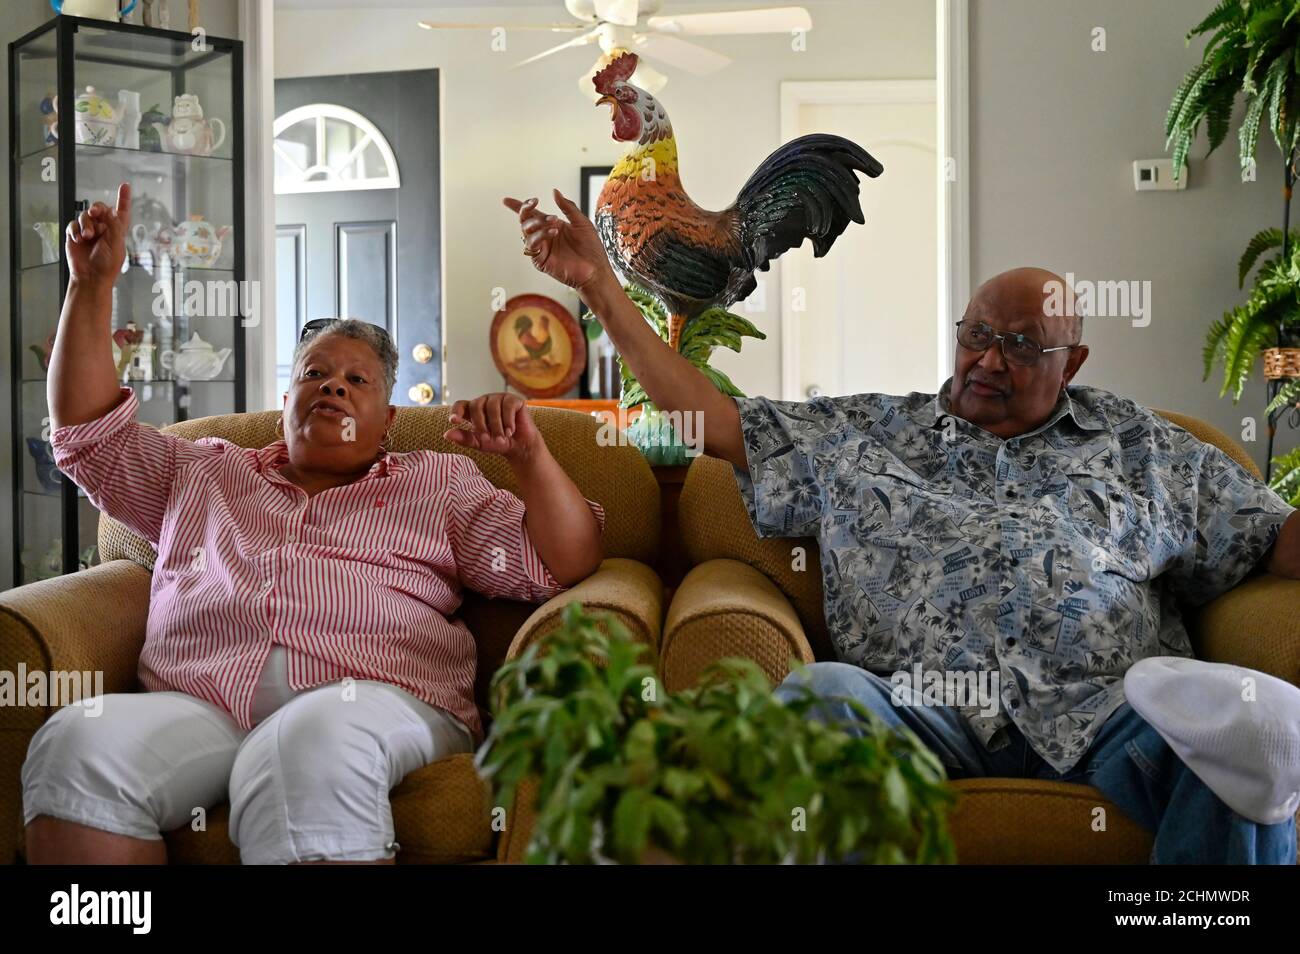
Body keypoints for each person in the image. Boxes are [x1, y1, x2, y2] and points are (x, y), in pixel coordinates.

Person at [504, 189, 1300, 864]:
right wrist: (603, 288)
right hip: (921, 712)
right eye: (977, 335)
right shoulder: (864, 432)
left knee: (1244, 729)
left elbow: (1273, 540)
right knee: (821, 696)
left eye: (1022, 346)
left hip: (1109, 712)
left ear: (1074, 362)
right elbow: (703, 419)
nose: (989, 360)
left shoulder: (1146, 446)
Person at [22, 183, 605, 864]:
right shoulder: (202, 471)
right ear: (285, 401)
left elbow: (567, 560)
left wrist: (530, 456)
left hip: (376, 701)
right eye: (316, 374)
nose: (333, 386)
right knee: (77, 743)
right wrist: (91, 286)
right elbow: (88, 435)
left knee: (306, 741)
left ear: (389, 422)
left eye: (358, 381)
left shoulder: (436, 482)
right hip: (200, 704)